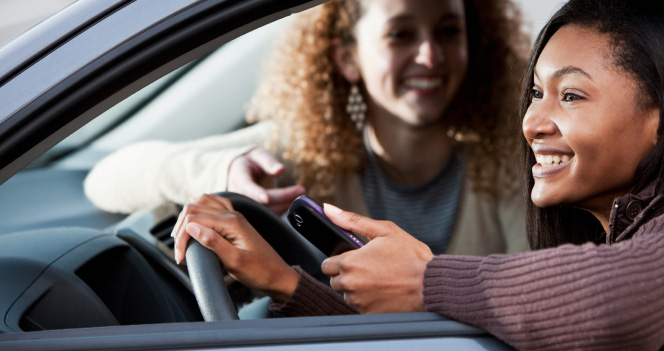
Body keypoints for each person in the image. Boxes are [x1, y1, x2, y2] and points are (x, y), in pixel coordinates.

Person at [171, 0, 664, 349]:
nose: (532, 121)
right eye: (535, 93)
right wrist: (285, 285)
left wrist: (427, 280)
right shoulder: (620, 232)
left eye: (572, 96)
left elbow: (617, 303)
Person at [85, 0, 530, 255]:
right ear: (347, 58)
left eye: (449, 31)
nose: (430, 56)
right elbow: (107, 178)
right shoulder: (303, 160)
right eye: (401, 34)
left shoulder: (511, 167)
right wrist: (226, 172)